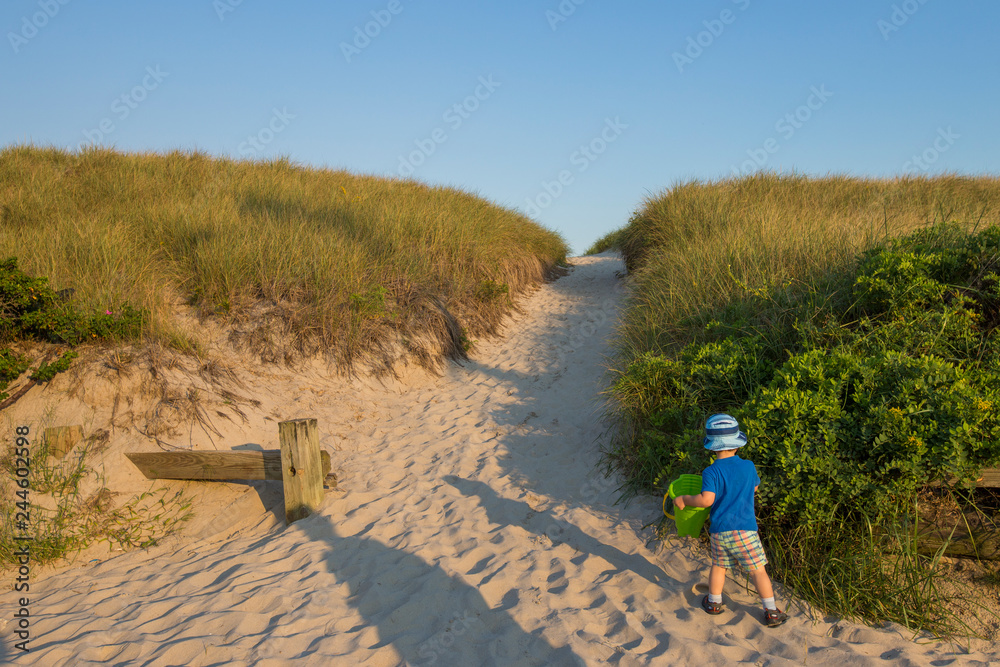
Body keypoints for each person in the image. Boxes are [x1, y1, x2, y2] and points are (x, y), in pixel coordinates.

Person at [672, 413, 788, 628]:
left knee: (719, 566)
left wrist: (684, 499)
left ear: (713, 447)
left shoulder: (711, 471)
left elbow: (706, 500)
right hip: (745, 530)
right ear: (737, 444)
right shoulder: (749, 466)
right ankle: (771, 611)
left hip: (720, 531)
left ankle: (714, 603)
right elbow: (754, 487)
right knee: (757, 570)